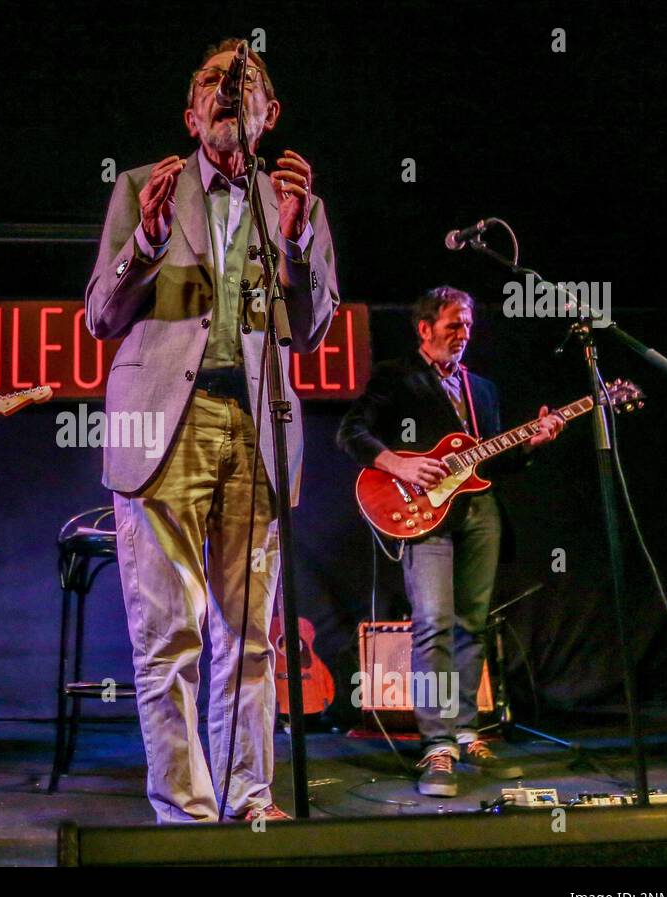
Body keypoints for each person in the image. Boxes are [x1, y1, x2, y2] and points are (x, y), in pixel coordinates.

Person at [85, 39, 339, 823]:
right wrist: (150, 241)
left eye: (249, 83)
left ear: (270, 114)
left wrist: (296, 244)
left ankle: (250, 800)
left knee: (251, 640)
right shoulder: (140, 189)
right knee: (169, 638)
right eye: (213, 83)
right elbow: (99, 316)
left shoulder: (298, 203)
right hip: (163, 426)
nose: (231, 91)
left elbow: (314, 331)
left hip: (258, 426)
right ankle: (185, 817)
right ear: (192, 113)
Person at [337, 286, 564, 797]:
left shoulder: (481, 387)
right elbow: (352, 432)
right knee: (433, 624)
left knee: (473, 624)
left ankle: (466, 732)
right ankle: (436, 744)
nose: (462, 335)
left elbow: (492, 460)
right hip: (424, 513)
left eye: (467, 326)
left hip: (480, 511)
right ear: (425, 327)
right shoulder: (398, 377)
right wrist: (398, 462)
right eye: (452, 324)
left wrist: (530, 443)